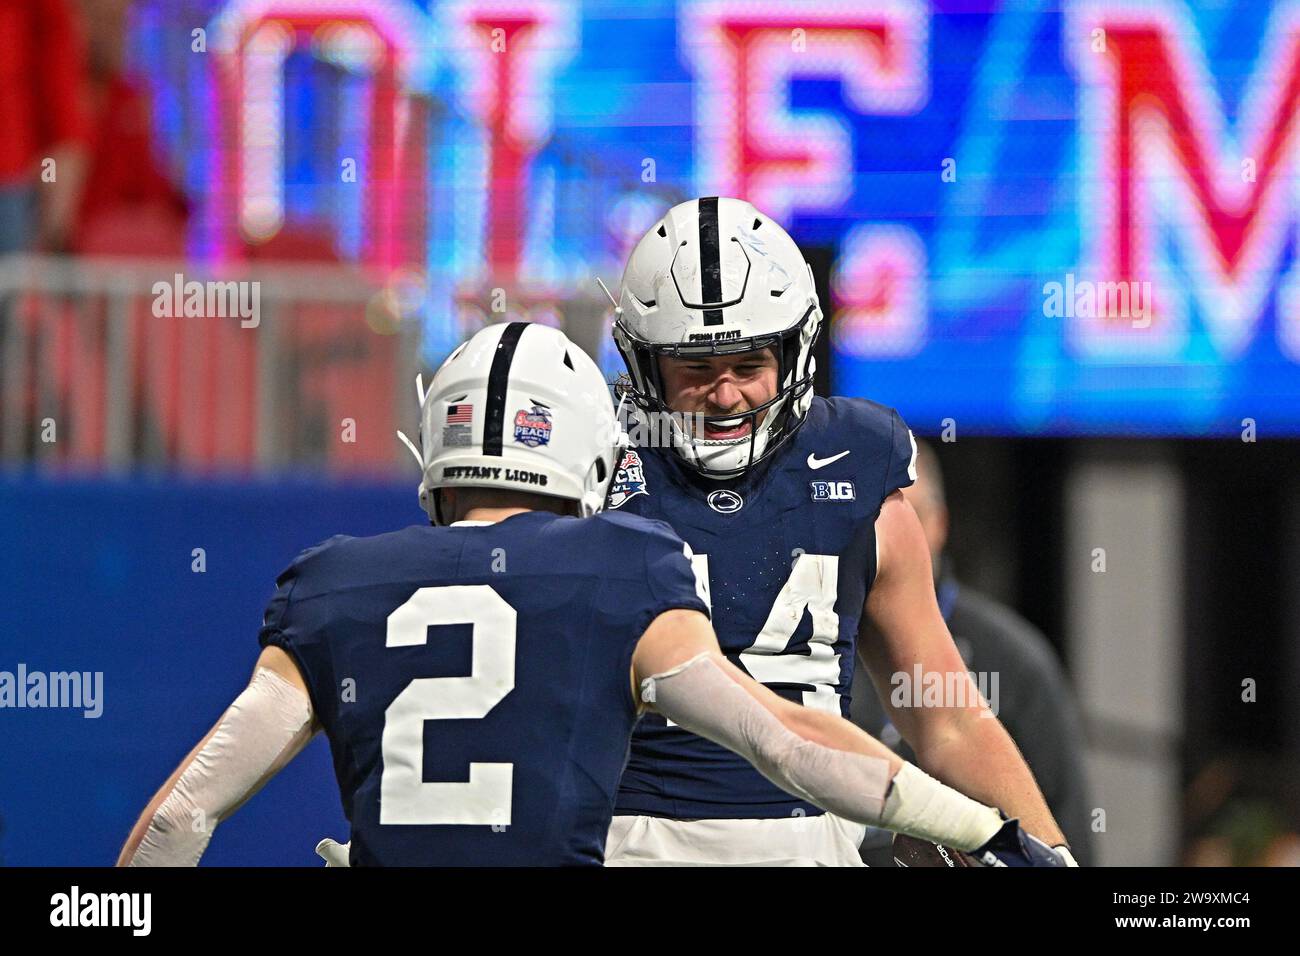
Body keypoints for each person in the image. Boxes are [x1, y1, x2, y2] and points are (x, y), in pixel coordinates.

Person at [116, 322, 1067, 867]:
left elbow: (178, 817)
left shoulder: (333, 583)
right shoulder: (619, 570)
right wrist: (982, 828)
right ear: (591, 456)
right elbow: (788, 745)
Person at [603, 197, 1078, 865]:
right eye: (696, 370)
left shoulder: (861, 470)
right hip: (631, 838)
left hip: (815, 840)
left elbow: (947, 716)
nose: (726, 394)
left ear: (794, 351)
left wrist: (1050, 851)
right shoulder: (593, 470)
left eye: (747, 365)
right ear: (645, 368)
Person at [851, 439, 1096, 866]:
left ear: (940, 524)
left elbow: (1067, 820)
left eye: (911, 518)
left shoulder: (1013, 657)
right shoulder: (805, 637)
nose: (891, 539)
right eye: (871, 521)